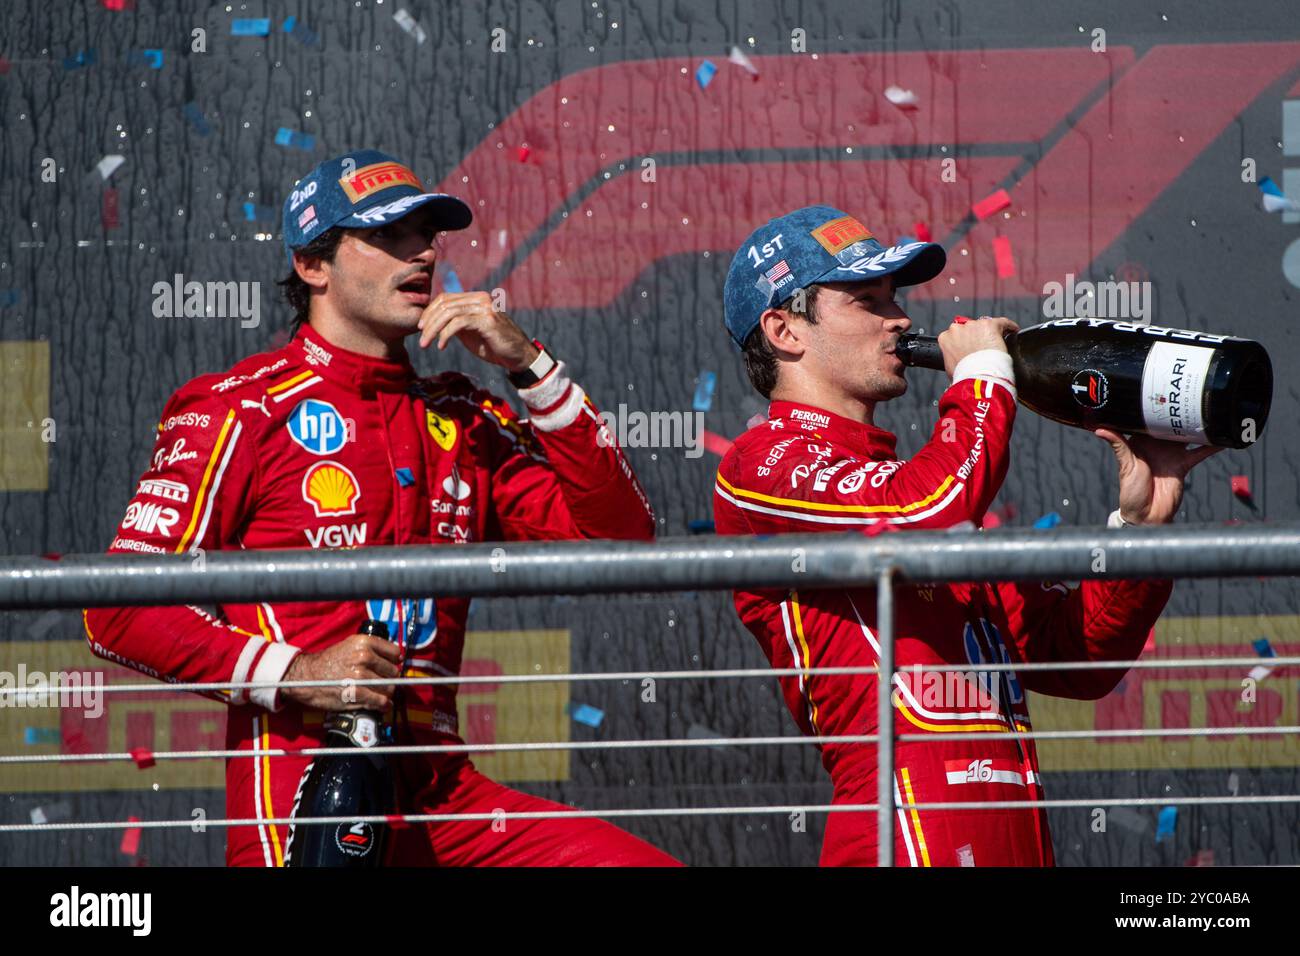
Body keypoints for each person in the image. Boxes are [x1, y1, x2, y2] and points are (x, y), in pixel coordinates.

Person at [84, 149, 678, 867]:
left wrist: (532, 368)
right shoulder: (241, 410)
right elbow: (117, 609)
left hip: (447, 796)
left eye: (427, 233)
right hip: (305, 791)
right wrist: (297, 673)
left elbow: (618, 535)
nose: (423, 251)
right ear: (313, 265)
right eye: (388, 235)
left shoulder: (463, 416)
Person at [712, 205, 1221, 866]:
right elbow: (929, 507)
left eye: (896, 298)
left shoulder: (905, 490)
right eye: (867, 300)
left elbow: (1078, 655)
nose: (899, 319)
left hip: (1011, 830)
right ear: (784, 330)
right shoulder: (762, 463)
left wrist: (1139, 532)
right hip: (901, 829)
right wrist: (983, 378)